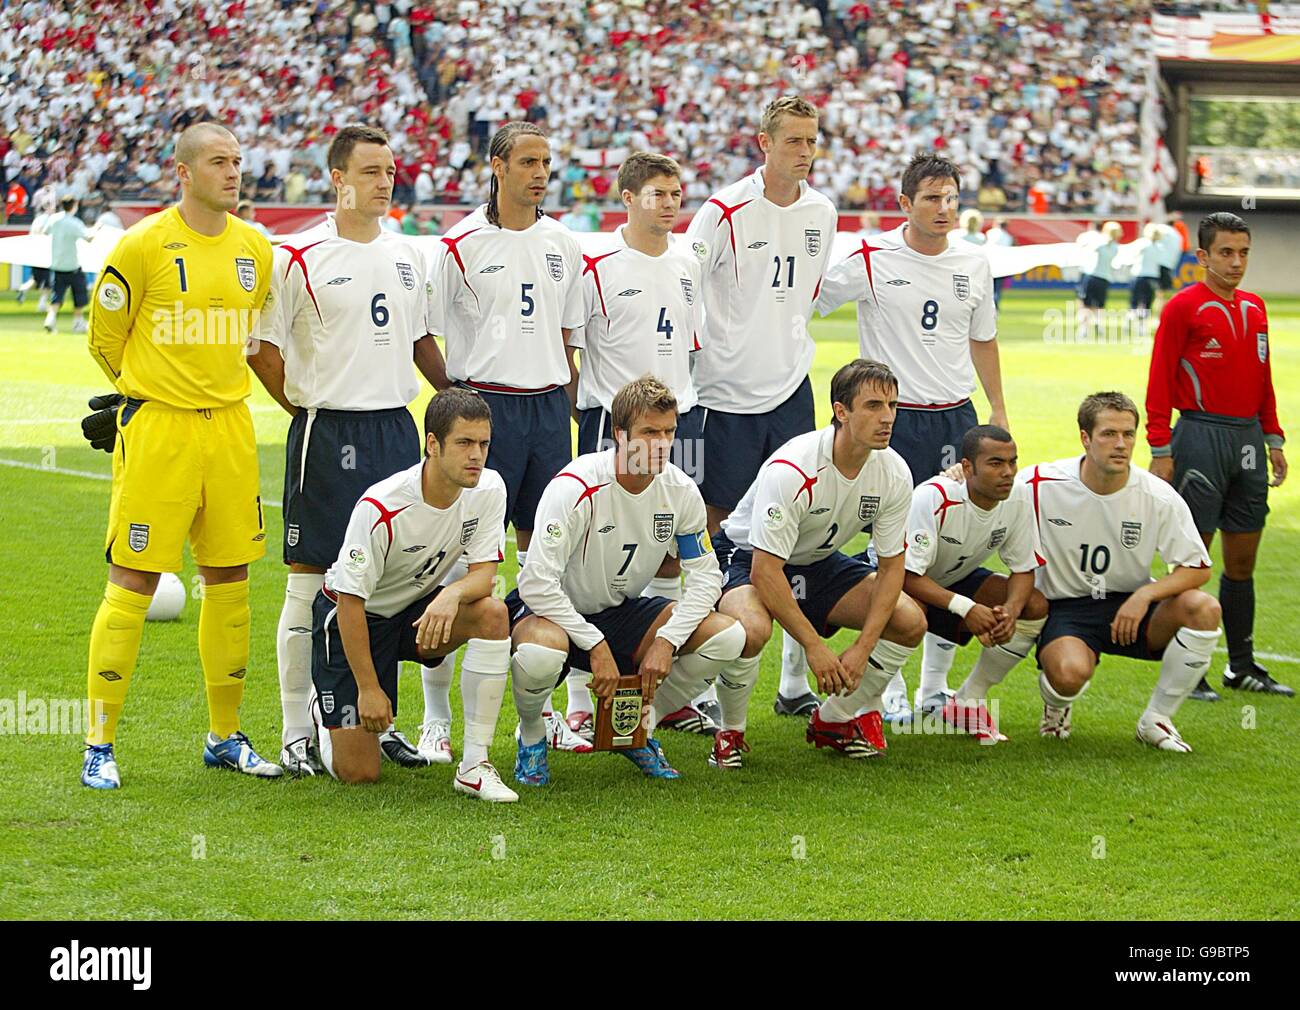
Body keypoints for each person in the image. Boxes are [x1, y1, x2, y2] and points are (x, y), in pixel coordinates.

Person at [79, 122, 277, 789]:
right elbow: (105, 339)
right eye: (219, 162)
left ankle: (224, 735)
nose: (233, 172)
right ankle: (99, 744)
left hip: (229, 429)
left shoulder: (256, 248)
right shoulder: (141, 246)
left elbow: (251, 339)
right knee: (133, 579)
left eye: (238, 162)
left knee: (230, 580)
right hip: (160, 432)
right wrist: (143, 395)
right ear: (183, 172)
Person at [248, 124, 449, 775]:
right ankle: (293, 729)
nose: (384, 181)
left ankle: (381, 718)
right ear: (337, 179)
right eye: (370, 171)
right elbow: (263, 350)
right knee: (309, 587)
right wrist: (306, 411)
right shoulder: (296, 256)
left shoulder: (408, 255)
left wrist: (453, 400)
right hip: (325, 434)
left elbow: (420, 339)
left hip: (396, 429)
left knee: (389, 585)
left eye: (390, 170)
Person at [812, 152, 1004, 719]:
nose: (944, 209)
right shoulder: (869, 257)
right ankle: (886, 685)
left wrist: (997, 409)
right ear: (904, 204)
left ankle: (934, 687)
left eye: (951, 198)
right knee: (884, 545)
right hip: (890, 419)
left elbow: (983, 338)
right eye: (931, 199)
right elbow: (805, 301)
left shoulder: (975, 262)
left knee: (948, 546)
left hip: (956, 418)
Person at [429, 121, 588, 753]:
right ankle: (438, 719)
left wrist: (570, 409)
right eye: (527, 161)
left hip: (547, 409)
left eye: (546, 161)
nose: (540, 172)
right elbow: (425, 334)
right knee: (462, 560)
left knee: (545, 556)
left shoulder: (563, 242)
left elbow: (570, 338)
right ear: (497, 166)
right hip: (482, 409)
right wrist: (458, 406)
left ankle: (538, 705)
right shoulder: (460, 244)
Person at [508, 376, 746, 784]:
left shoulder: (680, 490)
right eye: (649, 432)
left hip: (621, 612)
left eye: (669, 432)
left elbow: (706, 579)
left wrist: (667, 640)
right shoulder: (576, 487)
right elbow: (536, 584)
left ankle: (638, 729)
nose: (661, 443)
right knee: (539, 655)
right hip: (555, 614)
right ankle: (532, 736)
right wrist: (594, 643)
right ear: (620, 435)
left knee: (727, 636)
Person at [684, 95, 838, 719]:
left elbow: (810, 289)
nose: (804, 151)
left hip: (789, 388)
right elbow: (685, 283)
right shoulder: (723, 210)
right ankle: (706, 670)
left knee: (798, 523)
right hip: (722, 395)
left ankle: (795, 682)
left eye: (812, 141)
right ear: (763, 142)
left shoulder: (821, 212)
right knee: (717, 529)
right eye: (794, 140)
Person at [563, 151, 715, 737]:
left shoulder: (686, 264)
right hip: (613, 421)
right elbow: (570, 346)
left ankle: (662, 691)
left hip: (683, 414)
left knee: (672, 543)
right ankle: (582, 690)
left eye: (677, 193)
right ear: (627, 198)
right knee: (594, 547)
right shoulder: (597, 263)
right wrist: (589, 409)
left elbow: (690, 341)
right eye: (657, 193)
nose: (671, 202)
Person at [712, 360, 923, 768]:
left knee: (910, 620)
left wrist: (862, 647)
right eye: (874, 406)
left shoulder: (894, 472)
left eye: (893, 406)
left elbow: (893, 568)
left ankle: (834, 720)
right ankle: (730, 732)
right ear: (841, 411)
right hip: (746, 555)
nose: (887, 418)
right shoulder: (794, 467)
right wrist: (815, 647)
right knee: (752, 629)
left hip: (816, 560)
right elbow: (765, 571)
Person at [311, 389, 517, 800]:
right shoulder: (381, 505)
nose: (477, 455)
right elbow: (349, 603)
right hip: (355, 619)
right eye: (464, 443)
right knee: (360, 773)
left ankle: (475, 765)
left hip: (415, 611)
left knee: (492, 613)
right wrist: (369, 690)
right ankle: (322, 712)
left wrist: (451, 594)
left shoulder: (489, 488)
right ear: (433, 444)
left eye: (483, 444)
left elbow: (484, 576)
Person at [1146, 212, 1290, 699]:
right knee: (1194, 559)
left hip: (1248, 439)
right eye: (1226, 253)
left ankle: (1242, 666)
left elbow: (1263, 378)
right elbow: (1160, 378)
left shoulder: (1257, 307)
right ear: (1202, 256)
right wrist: (1161, 447)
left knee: (1243, 562)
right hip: (1200, 438)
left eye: (1244, 252)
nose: (1236, 262)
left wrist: (1272, 437)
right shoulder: (1183, 307)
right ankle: (1191, 670)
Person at [1026, 392, 1221, 751]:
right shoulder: (1040, 483)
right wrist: (959, 473)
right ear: (1085, 437)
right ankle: (1056, 706)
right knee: (1068, 675)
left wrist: (1146, 594)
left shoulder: (1157, 496)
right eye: (1109, 434)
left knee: (1204, 608)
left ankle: (1157, 719)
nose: (1121, 444)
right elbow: (989, 489)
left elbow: (1197, 568)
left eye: (1129, 435)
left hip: (1133, 605)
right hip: (1068, 606)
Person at [901, 425, 1047, 739]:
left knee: (1033, 604)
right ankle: (870, 703)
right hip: (894, 582)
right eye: (996, 463)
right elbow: (906, 576)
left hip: (951, 577)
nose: (1007, 472)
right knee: (905, 612)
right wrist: (966, 608)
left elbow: (1023, 569)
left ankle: (968, 702)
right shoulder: (934, 496)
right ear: (967, 467)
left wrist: (1010, 609)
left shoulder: (1017, 495)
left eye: (1012, 462)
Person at [44, 196, 96, 333]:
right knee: (79, 294)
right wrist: (96, 228)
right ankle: (78, 322)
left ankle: (50, 318)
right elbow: (88, 237)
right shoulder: (75, 222)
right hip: (72, 265)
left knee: (57, 295)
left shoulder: (54, 219)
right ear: (74, 205)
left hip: (56, 264)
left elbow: (45, 232)